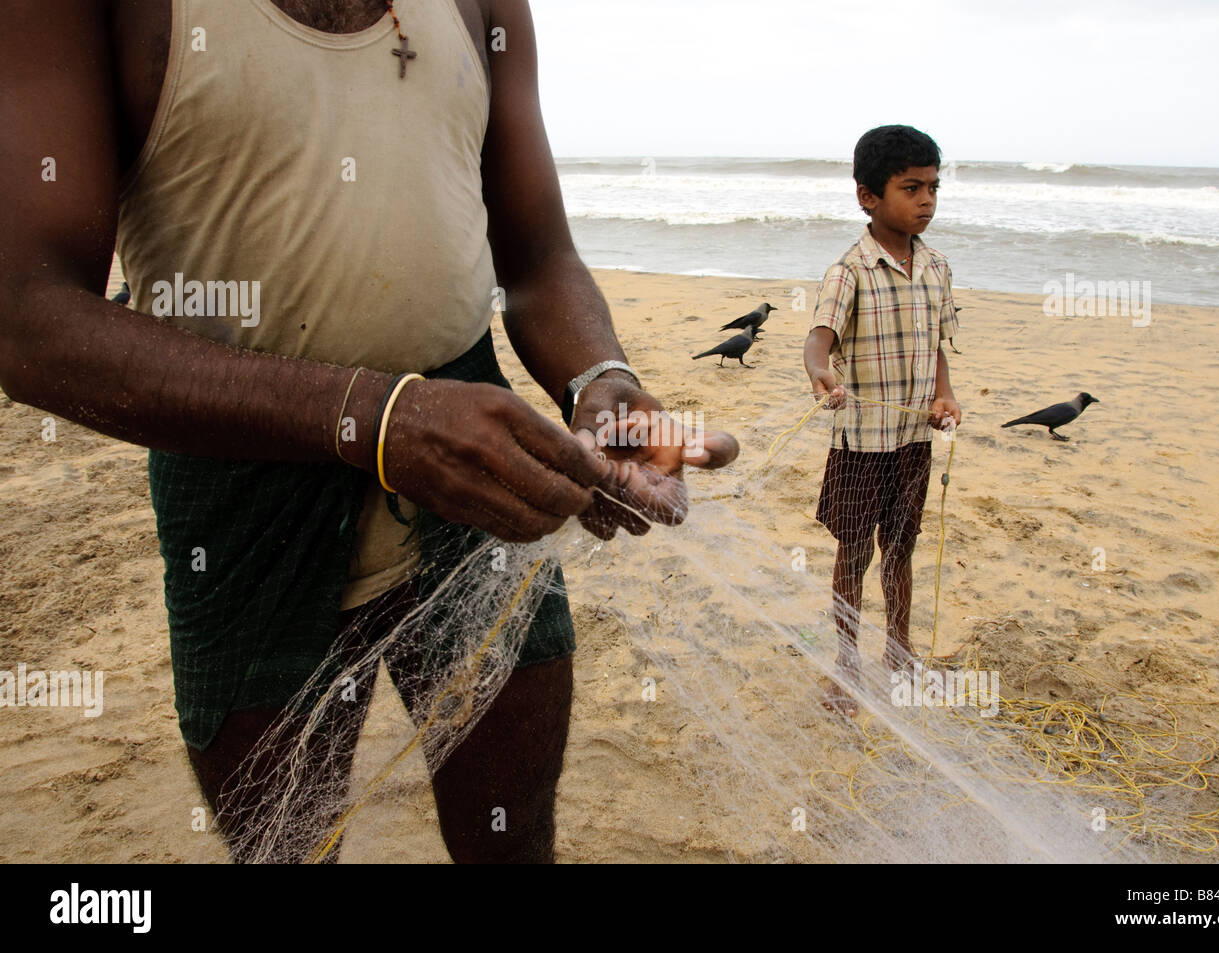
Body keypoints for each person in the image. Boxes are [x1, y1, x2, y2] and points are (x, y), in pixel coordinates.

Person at [0, 0, 737, 862]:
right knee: (284, 845)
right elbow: (26, 313)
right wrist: (375, 417)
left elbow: (538, 259)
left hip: (474, 434)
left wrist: (600, 379)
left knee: (513, 831)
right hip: (241, 465)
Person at [802, 125, 962, 718]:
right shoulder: (850, 271)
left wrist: (944, 395)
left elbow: (938, 345)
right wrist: (821, 374)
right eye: (911, 188)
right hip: (860, 444)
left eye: (934, 188)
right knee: (853, 553)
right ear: (869, 196)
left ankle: (900, 649)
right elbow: (819, 340)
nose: (926, 201)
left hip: (913, 439)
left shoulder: (937, 266)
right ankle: (845, 663)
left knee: (902, 546)